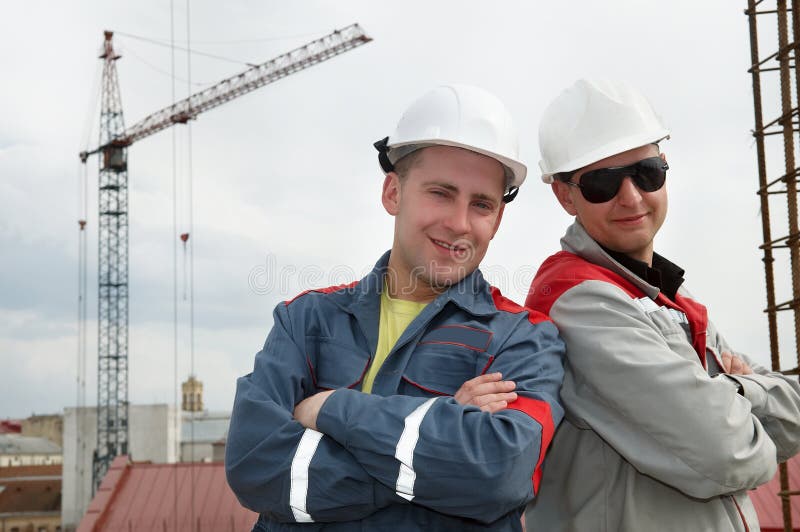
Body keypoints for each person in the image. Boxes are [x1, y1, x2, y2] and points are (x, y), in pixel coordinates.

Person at [226, 84, 565, 532]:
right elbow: (254, 464)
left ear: (497, 219)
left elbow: (497, 473)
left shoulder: (525, 338)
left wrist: (329, 409)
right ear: (393, 193)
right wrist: (444, 433)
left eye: (481, 204)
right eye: (440, 193)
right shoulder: (304, 321)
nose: (460, 223)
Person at [524, 78, 800, 531]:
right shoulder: (580, 302)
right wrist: (741, 387)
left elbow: (793, 420)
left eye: (647, 172)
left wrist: (729, 395)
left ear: (665, 167)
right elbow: (727, 453)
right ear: (564, 194)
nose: (631, 197)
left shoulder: (672, 297)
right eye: (601, 183)